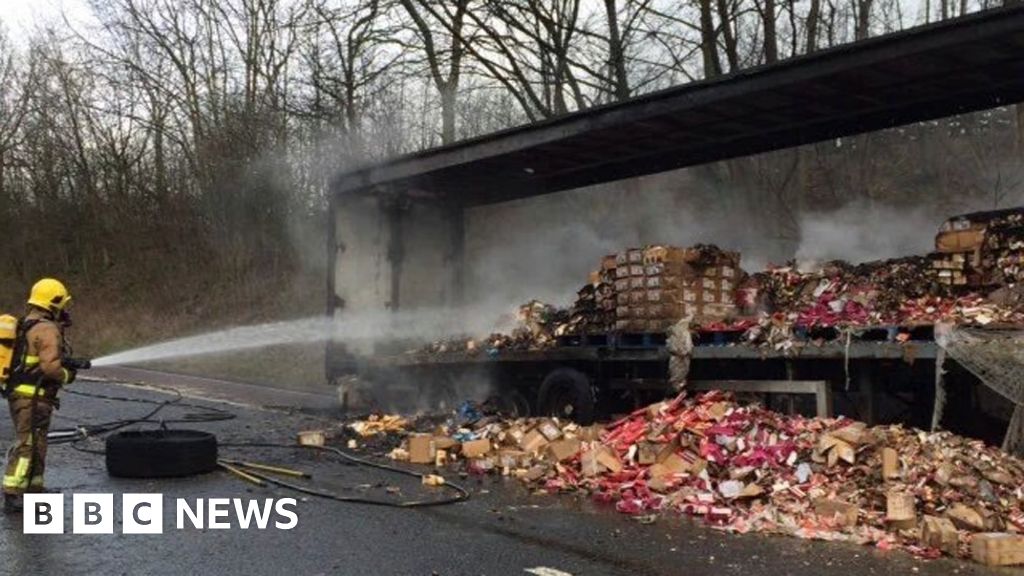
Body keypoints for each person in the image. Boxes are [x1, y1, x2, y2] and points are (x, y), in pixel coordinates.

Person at [3, 278, 77, 513]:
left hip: (26, 396)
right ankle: (13, 493)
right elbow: (49, 367)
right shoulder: (46, 329)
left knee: (37, 443)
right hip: (32, 398)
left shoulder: (28, 324)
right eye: (62, 304)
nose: (64, 310)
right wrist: (67, 375)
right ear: (53, 302)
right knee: (28, 444)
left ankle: (34, 489)